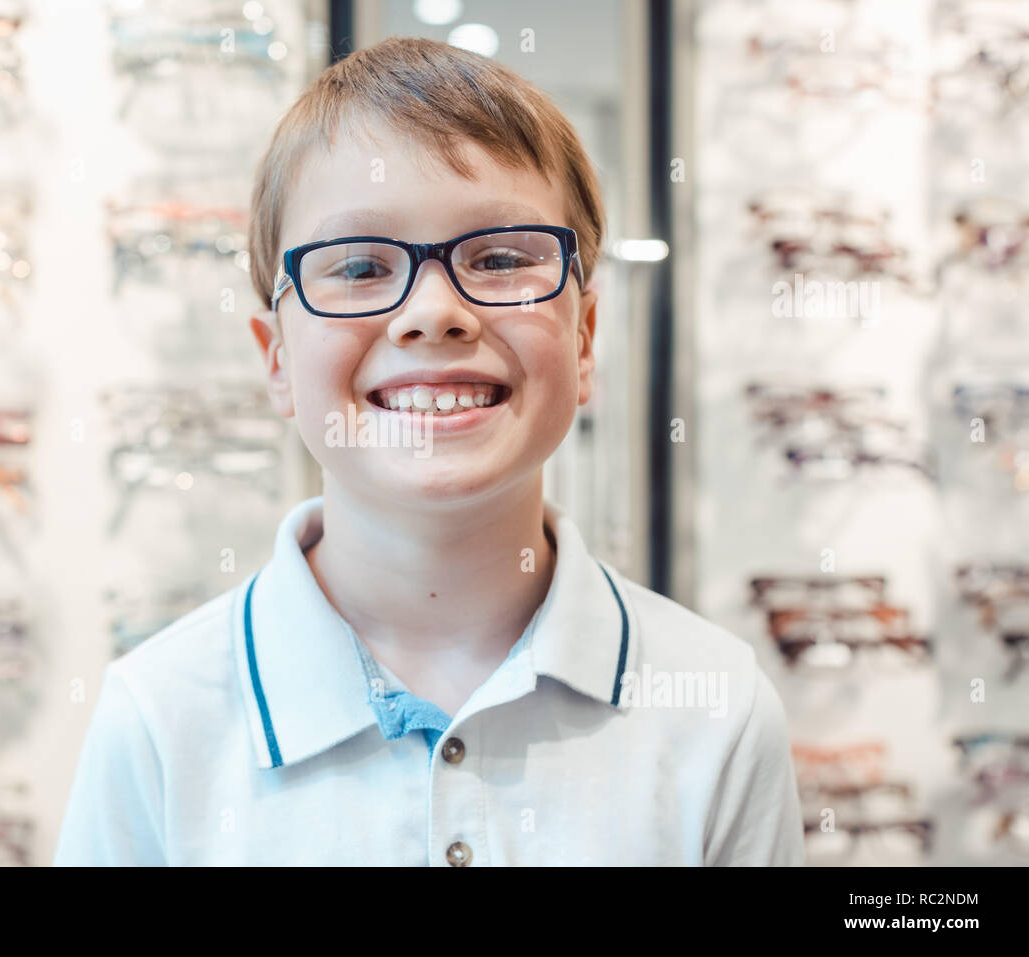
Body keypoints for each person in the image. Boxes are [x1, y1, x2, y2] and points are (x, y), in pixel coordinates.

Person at [54, 35, 805, 866]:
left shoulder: (719, 708)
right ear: (276, 358)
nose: (433, 311)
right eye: (361, 266)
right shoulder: (157, 721)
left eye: (502, 258)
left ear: (585, 337)